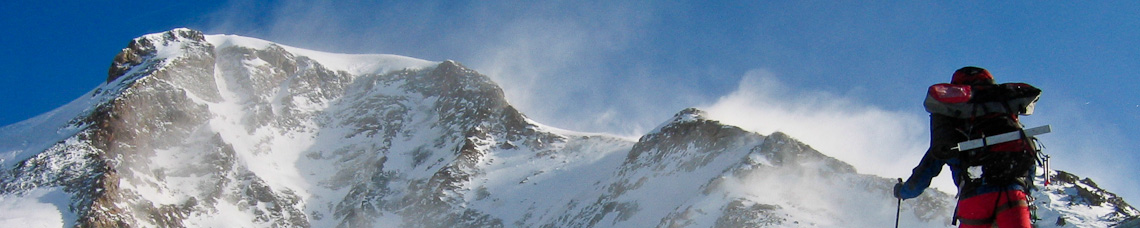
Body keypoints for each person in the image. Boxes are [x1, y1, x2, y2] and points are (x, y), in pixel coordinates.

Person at [894, 66, 1042, 228]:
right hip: (1013, 194)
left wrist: (903, 192)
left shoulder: (951, 132)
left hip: (975, 198)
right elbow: (1028, 161)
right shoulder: (1008, 121)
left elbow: (926, 171)